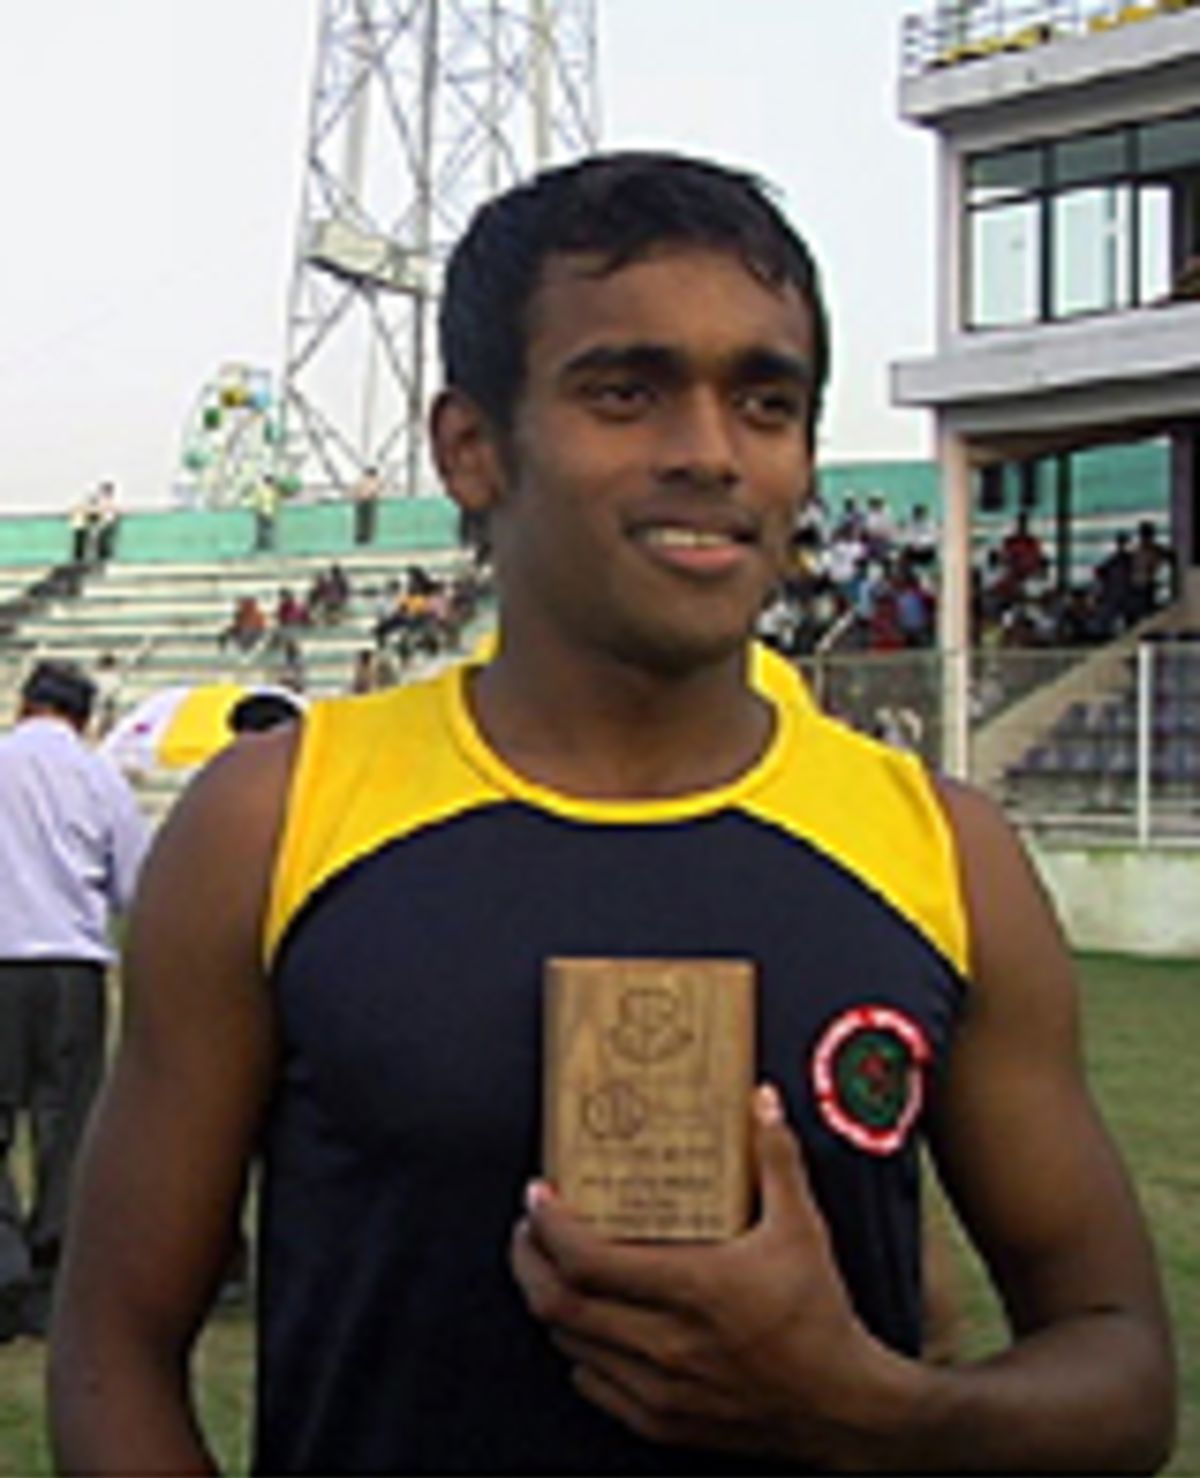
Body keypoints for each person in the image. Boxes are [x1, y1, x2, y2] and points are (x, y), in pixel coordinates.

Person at [50, 153, 1174, 1474]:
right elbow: (114, 1348)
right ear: (471, 445)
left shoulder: (943, 850)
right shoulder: (274, 819)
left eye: (765, 398)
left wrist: (874, 1408)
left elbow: (1124, 1368)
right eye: (626, 392)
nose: (709, 452)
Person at [0, 661, 148, 1342]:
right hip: (71, 963)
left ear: (26, 704)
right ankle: (52, 1272)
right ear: (84, 717)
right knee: (67, 1124)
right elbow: (134, 885)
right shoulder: (99, 777)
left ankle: (3, 1267)